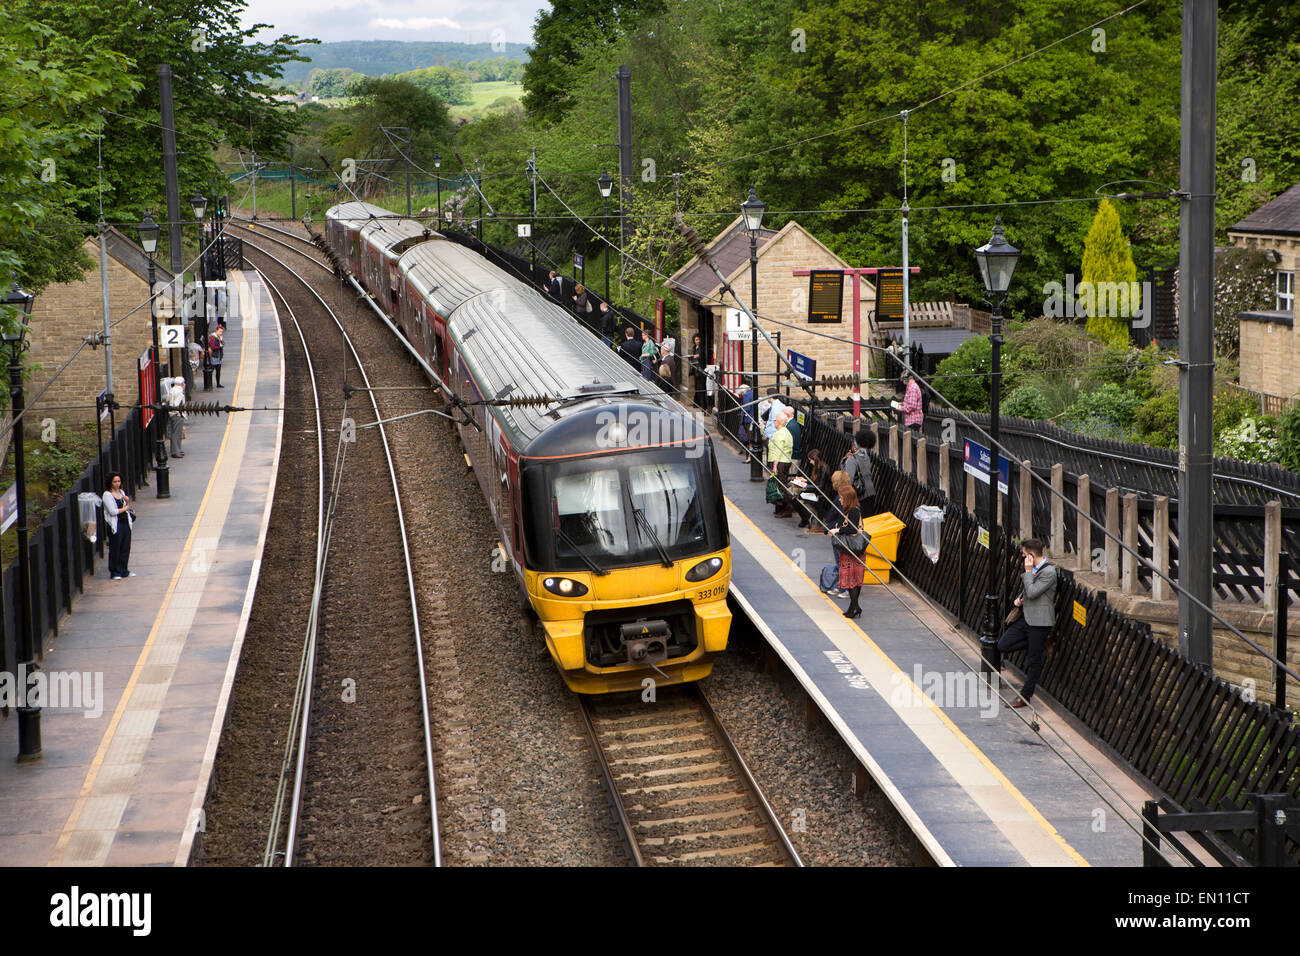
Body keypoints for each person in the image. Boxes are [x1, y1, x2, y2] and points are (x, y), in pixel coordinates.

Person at [998, 538, 1058, 709]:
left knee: (1034, 661)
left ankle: (1025, 696)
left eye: (1024, 554)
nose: (1022, 557)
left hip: (1039, 622)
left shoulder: (1049, 573)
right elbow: (1029, 592)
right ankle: (1040, 643)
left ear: (1031, 555)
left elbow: (1032, 592)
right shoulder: (1035, 570)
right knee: (1003, 644)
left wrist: (1027, 571)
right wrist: (1020, 599)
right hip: (1026, 618)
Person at [829, 485, 865, 617]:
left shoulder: (854, 511)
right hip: (849, 549)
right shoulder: (847, 510)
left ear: (848, 498)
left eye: (842, 497)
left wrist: (837, 530)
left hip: (852, 550)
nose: (839, 499)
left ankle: (854, 607)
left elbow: (853, 529)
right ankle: (854, 607)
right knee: (853, 579)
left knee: (851, 579)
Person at [102, 471, 135, 580]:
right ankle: (115, 572)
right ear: (110, 483)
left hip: (125, 522)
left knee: (125, 547)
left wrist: (127, 501)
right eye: (115, 482)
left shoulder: (121, 492)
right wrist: (126, 508)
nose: (117, 484)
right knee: (116, 547)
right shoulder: (107, 495)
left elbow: (127, 506)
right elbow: (112, 511)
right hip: (115, 525)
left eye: (119, 481)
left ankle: (124, 570)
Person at [794, 448, 833, 529]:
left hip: (822, 494)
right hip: (817, 491)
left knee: (795, 497)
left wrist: (805, 486)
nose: (810, 462)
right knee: (794, 496)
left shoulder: (823, 469)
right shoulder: (818, 467)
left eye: (811, 460)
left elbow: (820, 486)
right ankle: (806, 518)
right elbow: (815, 481)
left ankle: (806, 517)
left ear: (816, 459)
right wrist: (805, 480)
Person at [841, 430, 877, 516]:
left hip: (861, 494)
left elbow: (848, 479)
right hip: (871, 491)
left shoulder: (852, 460)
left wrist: (844, 461)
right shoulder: (866, 456)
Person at [767, 408, 794, 517]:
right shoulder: (786, 432)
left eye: (774, 420)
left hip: (780, 463)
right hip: (786, 461)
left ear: (778, 422)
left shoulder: (779, 434)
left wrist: (775, 466)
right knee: (781, 485)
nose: (773, 422)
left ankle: (787, 509)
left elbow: (778, 450)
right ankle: (780, 508)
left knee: (781, 487)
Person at [161, 375, 187, 458]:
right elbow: (176, 404)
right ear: (182, 383)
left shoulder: (172, 390)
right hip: (177, 414)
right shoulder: (179, 392)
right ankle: (176, 451)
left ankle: (177, 450)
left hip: (172, 414)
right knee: (177, 433)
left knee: (174, 432)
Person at [899, 370, 924, 435]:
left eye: (903, 379)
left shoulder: (912, 388)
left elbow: (912, 406)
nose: (903, 382)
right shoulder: (910, 387)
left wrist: (900, 408)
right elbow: (909, 402)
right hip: (911, 420)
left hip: (913, 420)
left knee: (911, 442)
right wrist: (902, 404)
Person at [690, 334, 708, 410]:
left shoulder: (702, 348)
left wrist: (697, 356)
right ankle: (696, 403)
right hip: (695, 369)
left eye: (698, 339)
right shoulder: (694, 348)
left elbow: (702, 357)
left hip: (700, 370)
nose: (697, 341)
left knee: (701, 387)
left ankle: (702, 404)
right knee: (697, 387)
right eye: (696, 340)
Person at [209, 323, 225, 388]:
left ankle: (218, 384)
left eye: (222, 332)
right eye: (220, 331)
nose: (221, 333)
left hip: (218, 356)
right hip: (214, 356)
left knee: (218, 371)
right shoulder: (213, 338)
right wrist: (219, 346)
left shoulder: (219, 337)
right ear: (216, 331)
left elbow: (222, 344)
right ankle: (210, 384)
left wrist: (221, 341)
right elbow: (213, 347)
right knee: (212, 370)